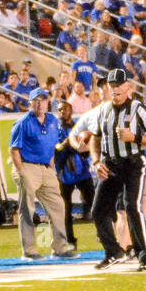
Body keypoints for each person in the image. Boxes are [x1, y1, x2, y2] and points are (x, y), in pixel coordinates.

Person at [91, 69, 146, 271]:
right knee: (98, 210)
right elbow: (96, 139)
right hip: (110, 164)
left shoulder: (138, 108)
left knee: (132, 207)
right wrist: (97, 162)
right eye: (111, 86)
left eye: (119, 85)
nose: (115, 89)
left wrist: (135, 138)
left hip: (132, 163)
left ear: (128, 87)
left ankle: (144, 257)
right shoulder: (103, 110)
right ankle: (113, 252)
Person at [9, 88, 76, 260]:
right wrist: (21, 171)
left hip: (46, 168)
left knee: (58, 206)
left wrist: (51, 167)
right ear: (30, 103)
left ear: (47, 102)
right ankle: (29, 251)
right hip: (27, 166)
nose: (39, 103)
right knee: (27, 208)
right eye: (36, 100)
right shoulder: (23, 123)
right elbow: (14, 149)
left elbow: (52, 146)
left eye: (43, 100)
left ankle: (60, 248)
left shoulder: (53, 120)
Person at [53, 102, 94, 249]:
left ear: (71, 110)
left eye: (65, 109)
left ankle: (103, 234)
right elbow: (56, 151)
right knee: (65, 209)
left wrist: (77, 146)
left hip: (82, 171)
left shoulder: (79, 128)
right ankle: (70, 241)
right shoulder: (55, 130)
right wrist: (67, 145)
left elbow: (87, 149)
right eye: (60, 110)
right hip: (64, 174)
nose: (63, 112)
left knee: (95, 204)